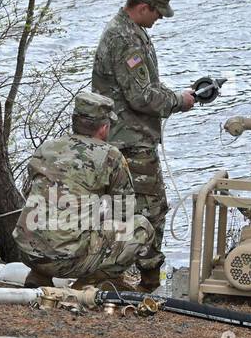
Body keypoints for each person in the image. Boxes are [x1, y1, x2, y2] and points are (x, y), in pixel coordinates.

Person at [91, 0, 196, 293]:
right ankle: (148, 279)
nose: (160, 20)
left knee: (120, 208)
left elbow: (141, 86)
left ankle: (112, 273)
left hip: (122, 138)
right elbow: (140, 96)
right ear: (142, 7)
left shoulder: (128, 30)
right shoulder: (127, 39)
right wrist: (180, 100)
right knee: (150, 209)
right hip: (130, 142)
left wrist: (177, 93)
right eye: (157, 14)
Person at [12, 91, 154, 290]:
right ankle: (91, 282)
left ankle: (40, 275)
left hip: (28, 253)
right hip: (67, 260)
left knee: (53, 213)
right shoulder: (110, 156)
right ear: (104, 128)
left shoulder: (46, 148)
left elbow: (39, 193)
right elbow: (125, 212)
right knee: (140, 227)